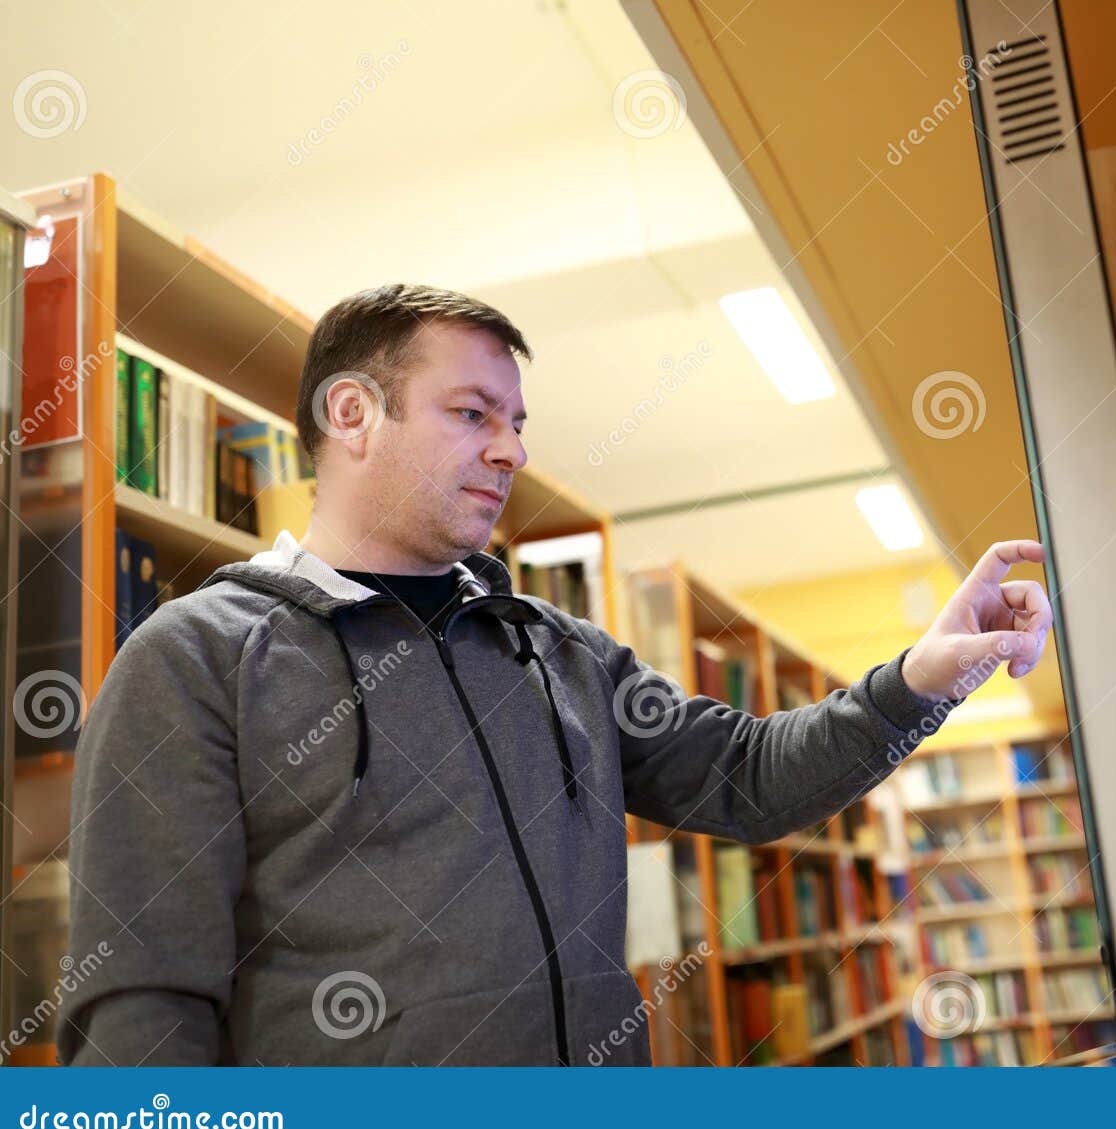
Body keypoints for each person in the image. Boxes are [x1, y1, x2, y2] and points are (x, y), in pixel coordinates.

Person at [59, 284, 1055, 1065]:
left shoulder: (559, 649)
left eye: (517, 419)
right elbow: (143, 1003)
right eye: (473, 411)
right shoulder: (196, 659)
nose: (512, 449)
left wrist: (921, 678)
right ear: (353, 413)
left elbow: (746, 774)